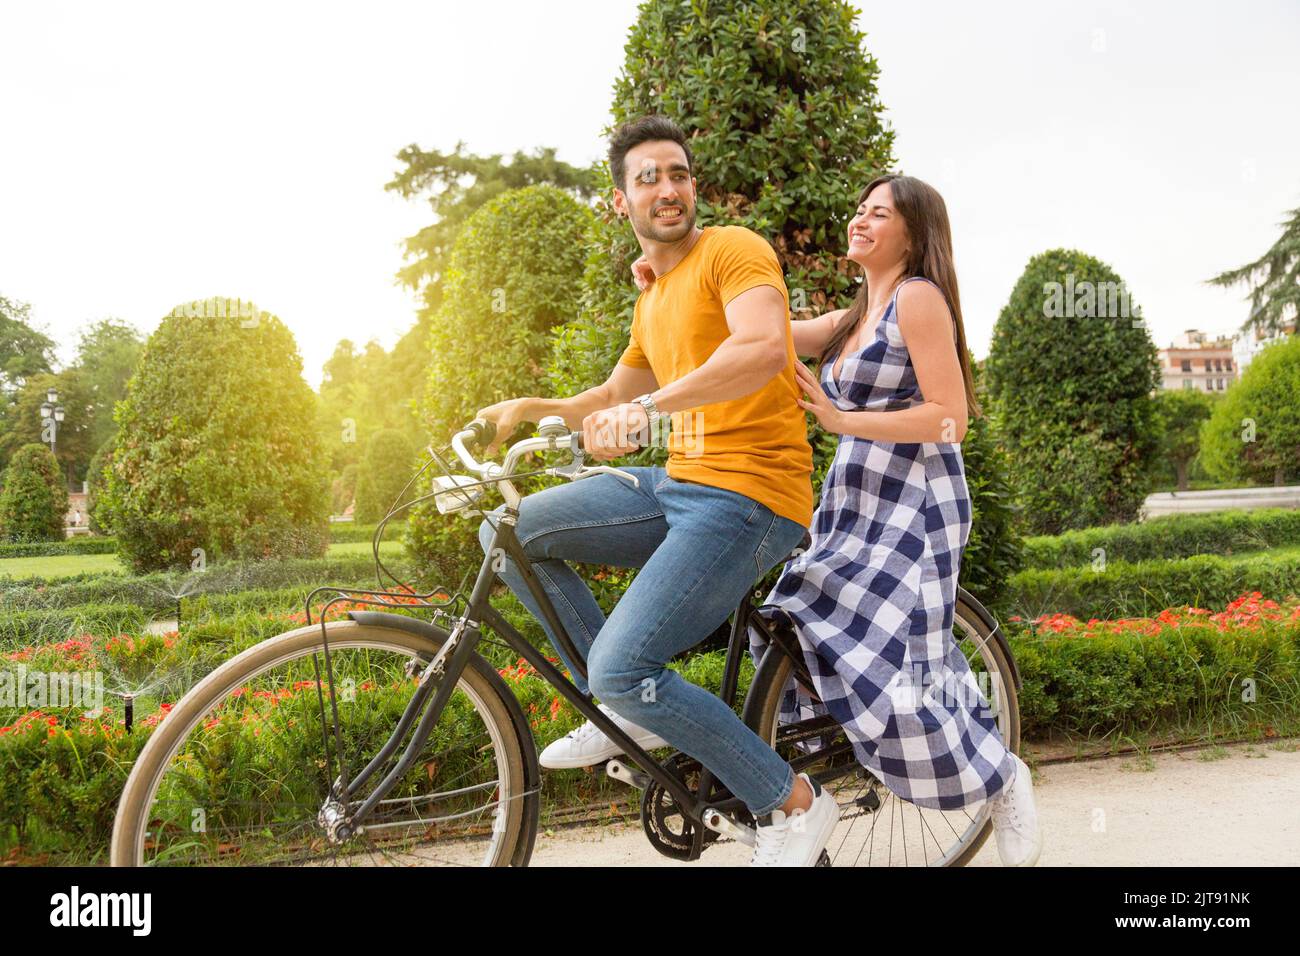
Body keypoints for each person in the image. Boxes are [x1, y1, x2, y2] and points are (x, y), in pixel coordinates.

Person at [474, 114, 839, 866]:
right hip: (679, 483)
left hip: (750, 496)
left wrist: (646, 411)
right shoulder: (654, 296)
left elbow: (762, 346)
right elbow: (613, 390)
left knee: (622, 663)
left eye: (678, 174)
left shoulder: (732, 251)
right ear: (622, 201)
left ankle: (793, 803)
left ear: (694, 186)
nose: (666, 190)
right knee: (506, 532)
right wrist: (532, 408)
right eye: (648, 179)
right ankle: (625, 708)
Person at [734, 173, 1042, 866]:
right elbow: (762, 337)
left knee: (900, 665)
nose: (861, 220)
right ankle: (804, 785)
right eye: (860, 209)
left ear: (915, 232)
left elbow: (951, 417)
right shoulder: (850, 318)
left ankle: (1003, 778)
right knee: (791, 620)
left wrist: (846, 419)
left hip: (917, 500)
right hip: (854, 498)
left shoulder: (919, 299)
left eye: (881, 213)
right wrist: (668, 276)